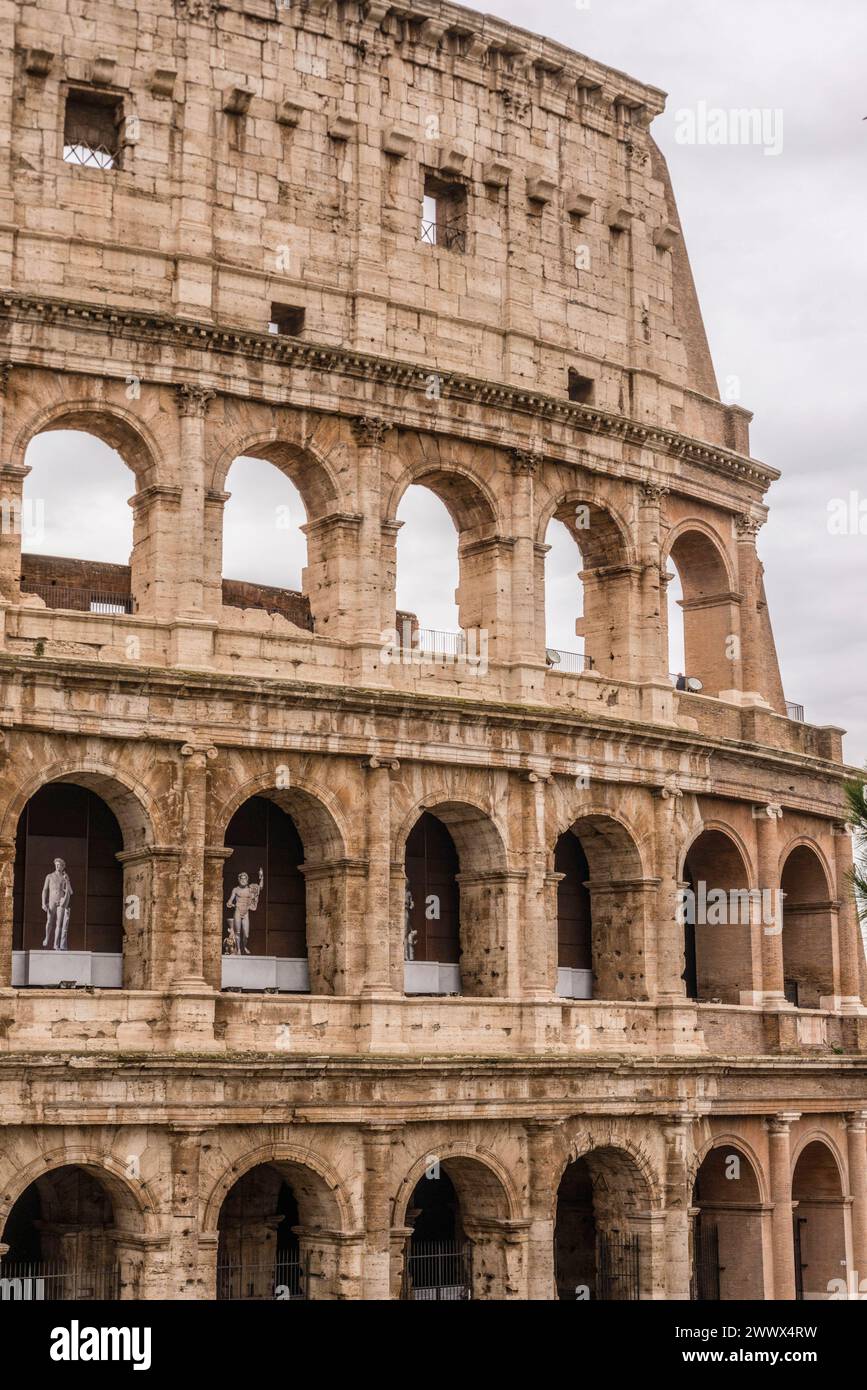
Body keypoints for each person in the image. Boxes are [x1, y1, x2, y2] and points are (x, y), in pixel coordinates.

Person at [226, 867, 264, 956]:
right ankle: (238, 949)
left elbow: (260, 887)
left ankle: (244, 946)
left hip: (246, 912)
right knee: (238, 932)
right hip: (238, 911)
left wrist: (261, 877)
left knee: (246, 934)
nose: (243, 880)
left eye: (245, 879)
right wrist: (229, 903)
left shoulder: (251, 889)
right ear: (239, 880)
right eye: (241, 879)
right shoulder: (236, 889)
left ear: (247, 880)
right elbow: (230, 900)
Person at [42, 858, 73, 951]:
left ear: (63, 866)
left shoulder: (65, 878)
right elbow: (45, 890)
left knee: (58, 924)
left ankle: (56, 944)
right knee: (49, 921)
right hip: (51, 901)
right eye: (56, 864)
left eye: (59, 865)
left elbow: (70, 891)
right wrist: (43, 903)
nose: (57, 866)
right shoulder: (49, 876)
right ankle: (47, 938)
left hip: (61, 902)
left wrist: (67, 880)